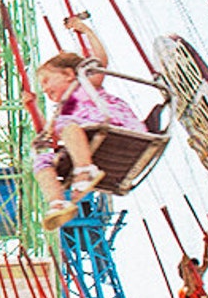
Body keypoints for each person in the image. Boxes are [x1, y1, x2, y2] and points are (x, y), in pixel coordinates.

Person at [32, 16, 144, 230]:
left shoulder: (83, 83)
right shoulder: (63, 111)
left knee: (65, 124)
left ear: (68, 74)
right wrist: (34, 107)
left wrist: (85, 30)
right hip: (85, 137)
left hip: (112, 125)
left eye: (47, 80)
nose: (45, 89)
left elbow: (100, 60)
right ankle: (57, 203)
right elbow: (49, 136)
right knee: (41, 160)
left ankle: (85, 170)